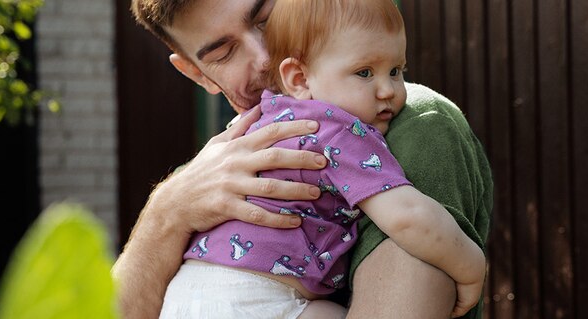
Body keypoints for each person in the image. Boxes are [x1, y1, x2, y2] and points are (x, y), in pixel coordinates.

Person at [113, 0, 493, 318]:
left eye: (266, 20)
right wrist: (164, 214)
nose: (264, 58)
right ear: (199, 75)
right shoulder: (203, 174)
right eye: (225, 52)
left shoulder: (408, 126)